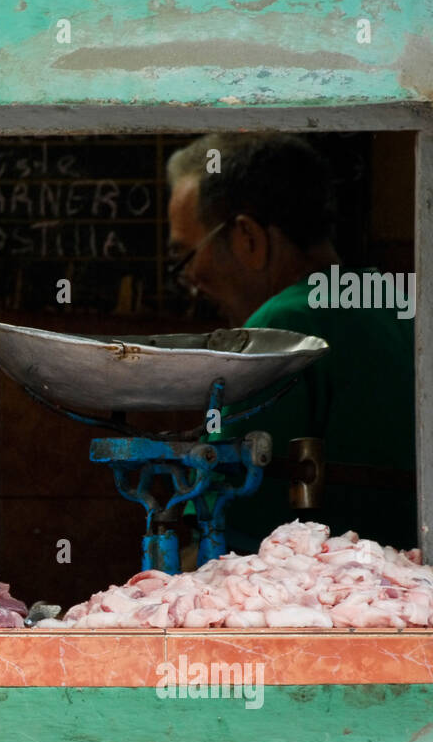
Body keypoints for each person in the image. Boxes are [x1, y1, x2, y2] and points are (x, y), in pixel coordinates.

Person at [164, 132, 417, 553]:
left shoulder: (280, 327)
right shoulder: (396, 301)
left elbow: (229, 527)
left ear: (248, 238)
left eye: (186, 257)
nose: (191, 281)